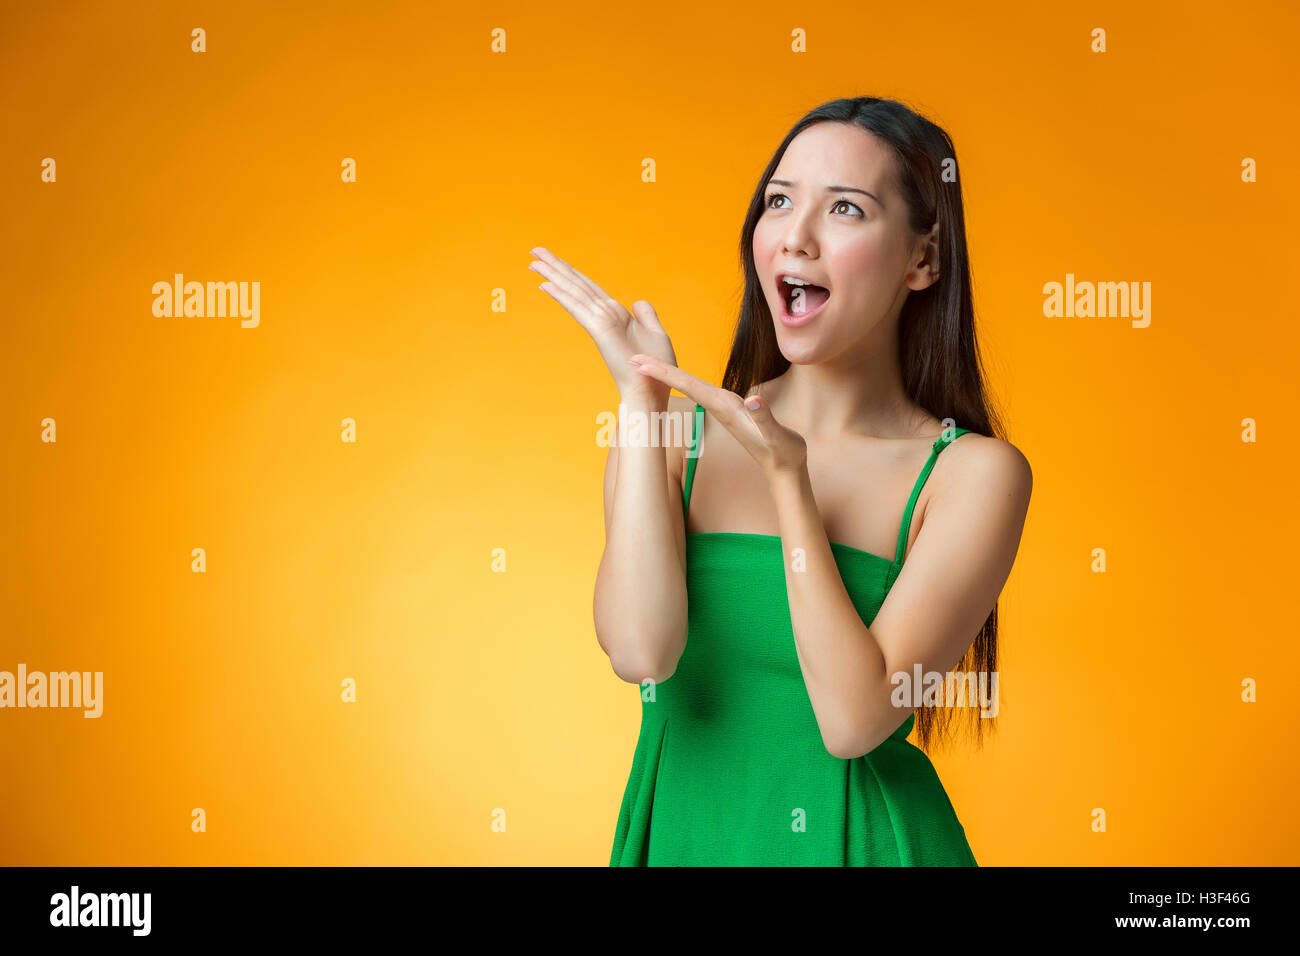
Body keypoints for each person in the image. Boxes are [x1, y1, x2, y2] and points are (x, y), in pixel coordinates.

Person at [530, 96, 1032, 866]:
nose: (795, 237)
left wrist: (789, 482)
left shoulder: (970, 475)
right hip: (687, 839)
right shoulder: (678, 440)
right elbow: (641, 651)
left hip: (858, 844)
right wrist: (641, 403)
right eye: (779, 201)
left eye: (845, 209)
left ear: (922, 259)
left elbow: (854, 720)